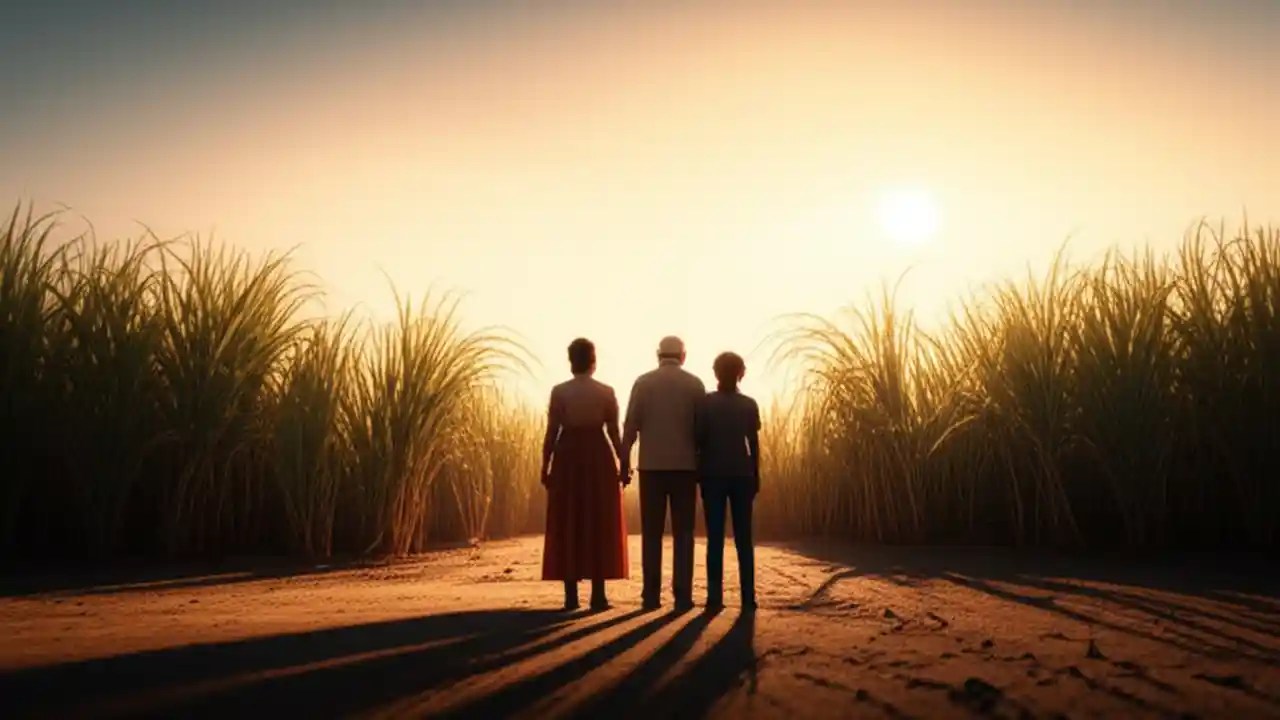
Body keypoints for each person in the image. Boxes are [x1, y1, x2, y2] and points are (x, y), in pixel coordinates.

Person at [541, 338, 629, 611]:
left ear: (570, 361)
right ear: (593, 361)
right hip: (597, 455)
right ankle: (598, 595)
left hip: (568, 456)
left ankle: (570, 595)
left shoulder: (560, 392)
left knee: (569, 519)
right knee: (598, 520)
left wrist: (545, 465)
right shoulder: (605, 391)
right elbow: (614, 432)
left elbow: (552, 432)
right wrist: (623, 462)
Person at [622, 335, 706, 611]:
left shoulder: (643, 383)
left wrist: (624, 462)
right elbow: (702, 431)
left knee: (652, 533)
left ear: (658, 355)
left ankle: (651, 595)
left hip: (652, 467)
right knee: (684, 532)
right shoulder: (694, 384)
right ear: (683, 356)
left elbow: (631, 426)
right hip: (685, 468)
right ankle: (682, 595)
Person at [696, 351, 760, 611]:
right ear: (740, 373)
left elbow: (698, 440)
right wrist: (756, 474)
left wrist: (699, 472)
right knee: (744, 538)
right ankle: (748, 597)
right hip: (742, 474)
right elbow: (754, 444)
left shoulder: (706, 403)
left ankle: (714, 597)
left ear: (715, 373)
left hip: (712, 474)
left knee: (715, 537)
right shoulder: (748, 404)